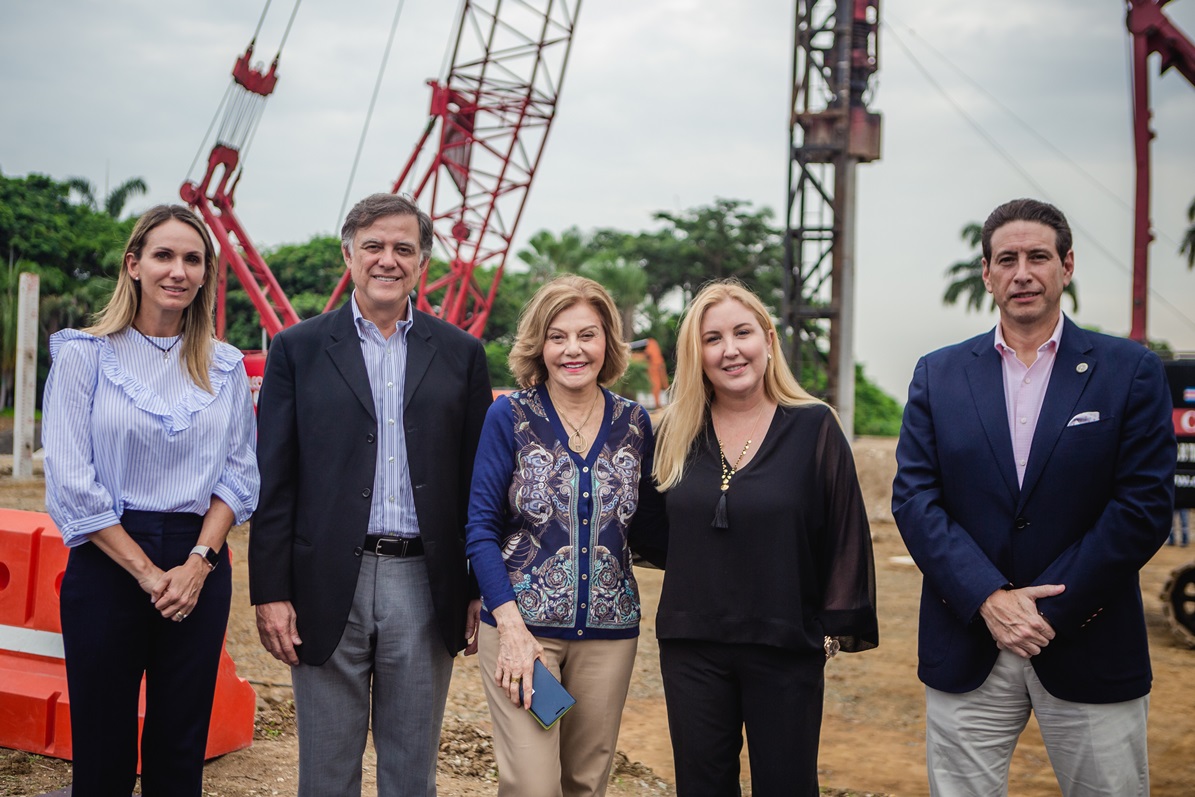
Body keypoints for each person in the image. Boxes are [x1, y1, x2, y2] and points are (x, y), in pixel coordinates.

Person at [892, 198, 1176, 796]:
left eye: (1038, 257)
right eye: (1007, 259)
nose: (1023, 272)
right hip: (968, 640)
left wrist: (1046, 612)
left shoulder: (1130, 371)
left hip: (1087, 637)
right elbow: (916, 499)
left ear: (1066, 266)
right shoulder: (937, 374)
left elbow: (1143, 505)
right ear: (988, 272)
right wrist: (989, 598)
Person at [249, 193, 492, 796]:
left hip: (424, 581)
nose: (388, 259)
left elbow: (477, 485)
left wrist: (473, 590)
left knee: (412, 772)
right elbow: (274, 481)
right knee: (327, 772)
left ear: (422, 264)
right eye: (374, 246)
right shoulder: (297, 349)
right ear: (348, 254)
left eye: (403, 249)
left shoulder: (462, 355)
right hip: (325, 580)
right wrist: (271, 591)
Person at [42, 204, 258, 796]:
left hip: (199, 563)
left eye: (193, 259)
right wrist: (145, 571)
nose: (178, 271)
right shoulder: (83, 355)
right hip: (108, 559)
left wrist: (195, 565)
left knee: (180, 744)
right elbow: (70, 480)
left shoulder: (226, 366)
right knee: (103, 741)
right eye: (164, 255)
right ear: (133, 264)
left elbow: (239, 477)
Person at [651, 279, 877, 796]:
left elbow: (845, 534)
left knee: (787, 786)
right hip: (692, 649)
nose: (730, 350)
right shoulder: (673, 433)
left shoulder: (815, 427)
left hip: (785, 645)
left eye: (742, 333)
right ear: (697, 354)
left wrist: (828, 629)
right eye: (712, 339)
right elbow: (654, 527)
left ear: (768, 340)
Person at [465, 274, 665, 797]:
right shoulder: (509, 416)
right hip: (523, 632)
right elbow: (480, 529)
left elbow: (653, 528)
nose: (573, 349)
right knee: (533, 785)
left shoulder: (635, 423)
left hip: (609, 635)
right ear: (539, 345)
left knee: (585, 782)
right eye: (557, 337)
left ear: (608, 344)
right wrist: (508, 627)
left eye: (587, 335)